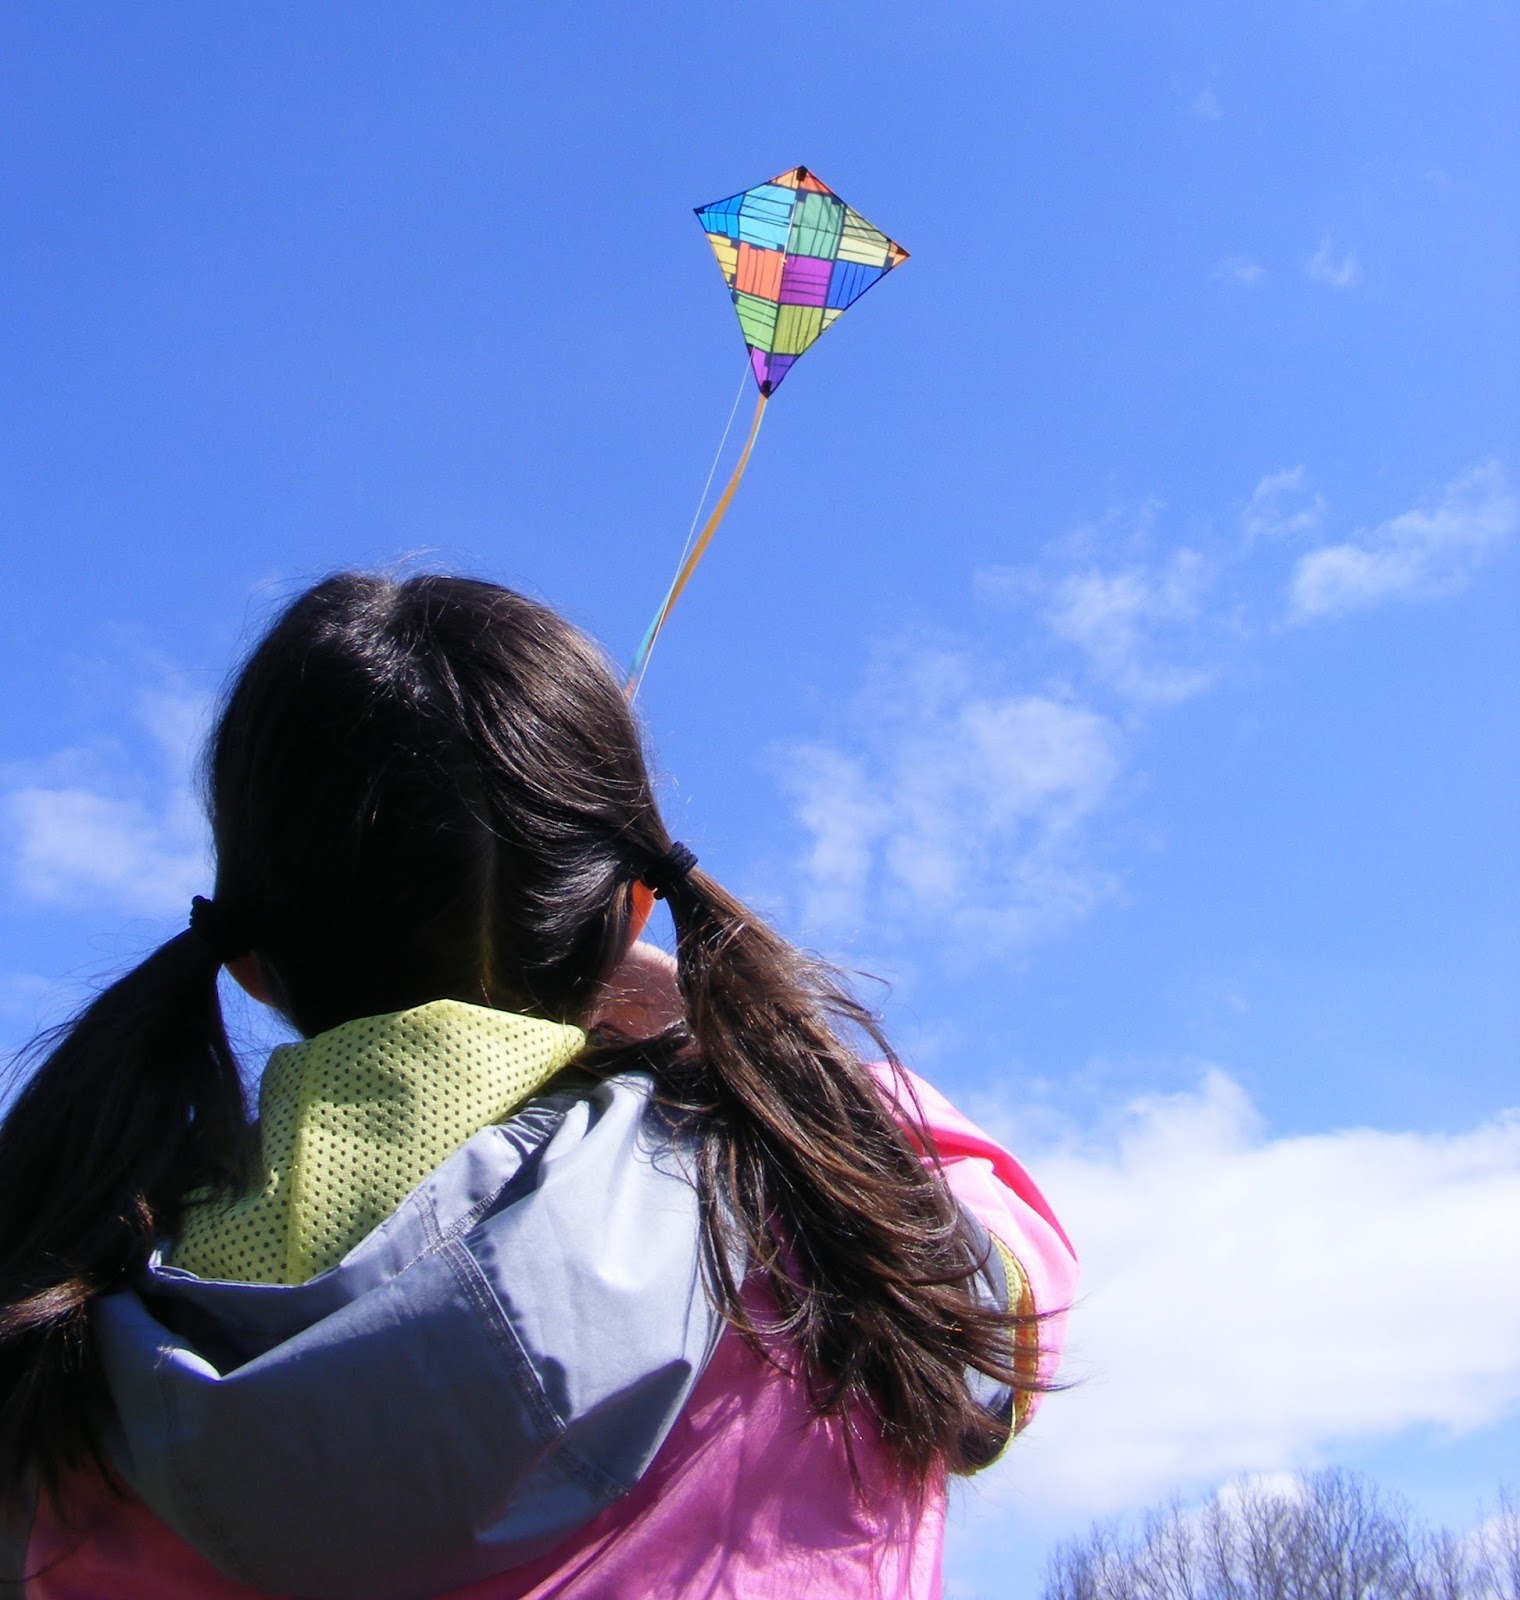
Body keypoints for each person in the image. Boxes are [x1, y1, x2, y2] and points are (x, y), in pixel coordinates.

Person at [0, 573, 1077, 1599]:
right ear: (630, 913)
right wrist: (761, 1059)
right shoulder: (828, 1222)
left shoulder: (52, 1363)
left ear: (245, 961)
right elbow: (1011, 1298)